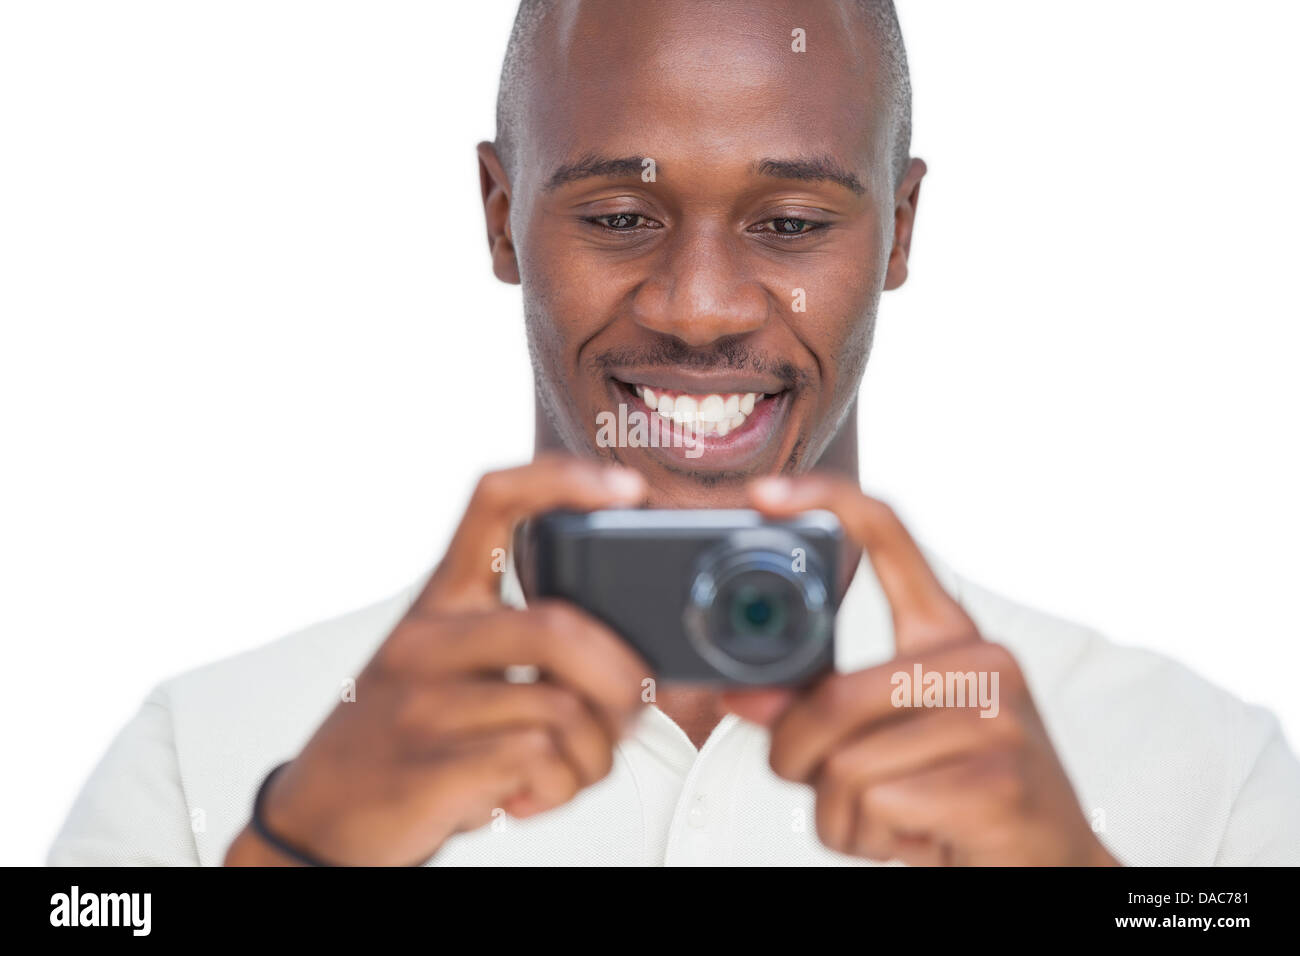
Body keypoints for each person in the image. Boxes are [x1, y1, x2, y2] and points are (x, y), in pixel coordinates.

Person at [49, 0, 1300, 867]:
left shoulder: (1205, 762)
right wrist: (295, 849)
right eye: (620, 215)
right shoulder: (210, 745)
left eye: (794, 223)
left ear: (901, 232)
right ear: (500, 216)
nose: (699, 307)